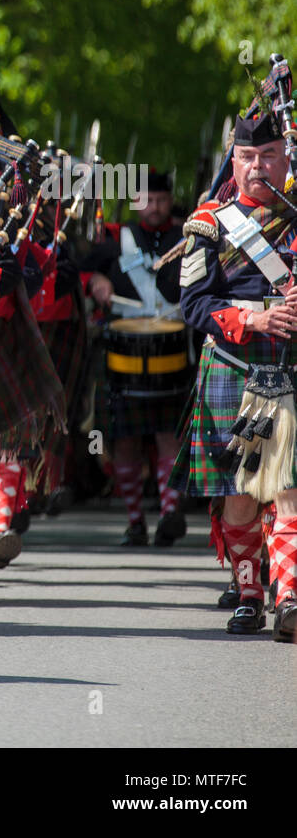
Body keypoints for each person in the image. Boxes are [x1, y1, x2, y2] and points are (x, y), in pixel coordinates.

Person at [173, 113, 297, 640]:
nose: (257, 167)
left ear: (285, 159)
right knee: (241, 495)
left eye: (268, 156)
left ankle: (289, 595)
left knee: (289, 488)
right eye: (247, 157)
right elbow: (193, 306)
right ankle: (250, 593)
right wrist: (252, 318)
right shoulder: (210, 225)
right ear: (234, 161)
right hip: (234, 368)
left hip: (290, 370)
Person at [82, 170, 189, 546]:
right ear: (136, 201)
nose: (155, 207)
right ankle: (134, 520)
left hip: (172, 351)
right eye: (147, 199)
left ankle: (169, 513)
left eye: (161, 200)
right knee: (123, 440)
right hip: (122, 355)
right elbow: (81, 269)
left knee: (167, 437)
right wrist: (96, 281)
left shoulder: (186, 238)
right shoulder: (115, 239)